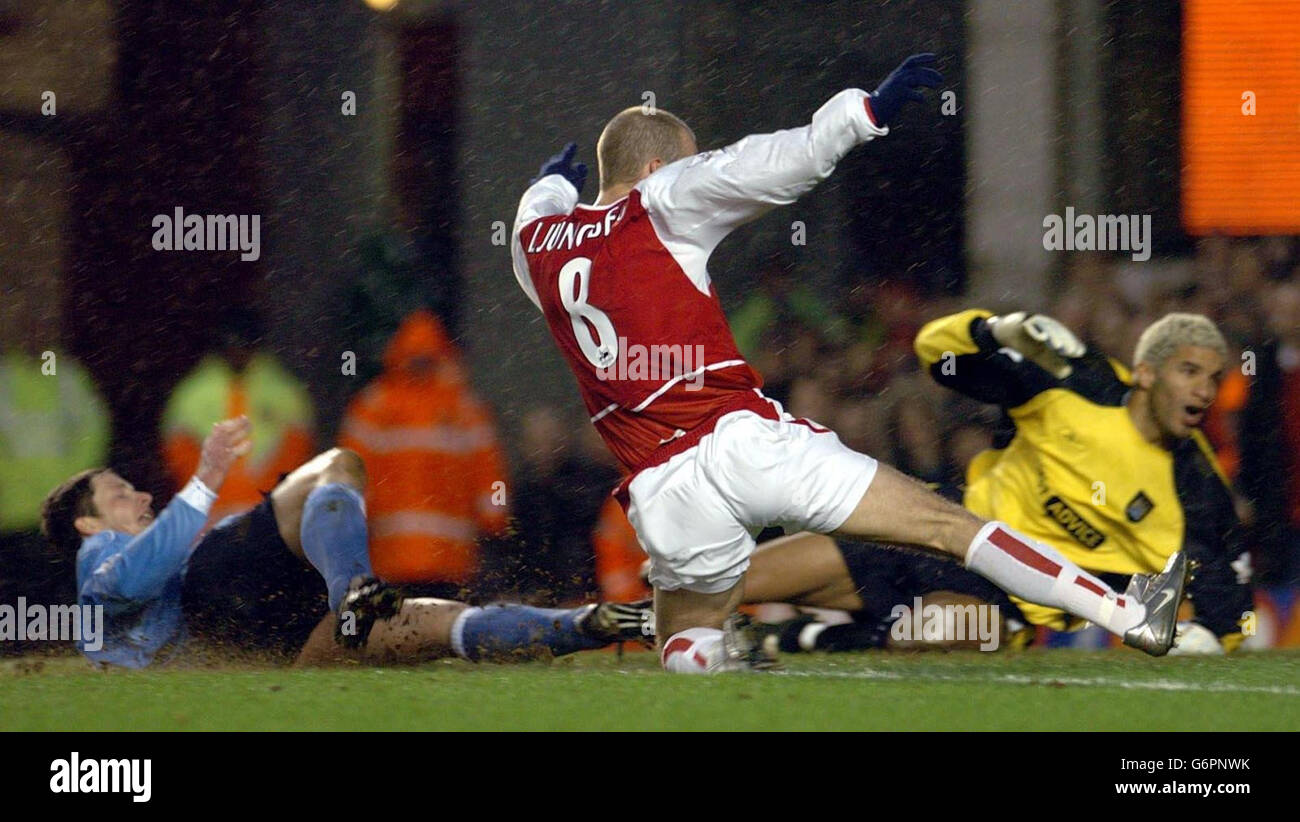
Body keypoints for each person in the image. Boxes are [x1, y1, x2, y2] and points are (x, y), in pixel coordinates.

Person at [511, 52, 1187, 673]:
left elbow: (536, 208)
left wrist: (549, 188)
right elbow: (775, 160)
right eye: (689, 161)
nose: (698, 169)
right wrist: (865, 113)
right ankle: (1133, 614)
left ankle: (712, 665)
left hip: (661, 488)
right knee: (946, 526)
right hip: (739, 442)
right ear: (659, 169)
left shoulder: (539, 245)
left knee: (686, 636)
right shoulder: (661, 202)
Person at [746, 310, 1253, 655]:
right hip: (936, 527)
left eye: (1213, 377)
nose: (1204, 391)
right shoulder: (1077, 382)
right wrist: (994, 330)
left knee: (933, 630)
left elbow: (1228, 610)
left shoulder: (1199, 489)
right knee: (734, 580)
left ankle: (791, 638)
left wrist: (1208, 635)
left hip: (1001, 606)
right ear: (1146, 372)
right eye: (1189, 372)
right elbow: (935, 355)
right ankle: (683, 618)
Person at [40, 416, 650, 669]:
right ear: (87, 525)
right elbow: (126, 581)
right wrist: (205, 479)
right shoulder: (99, 561)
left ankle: (593, 625)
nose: (142, 497)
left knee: (440, 629)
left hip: (280, 649)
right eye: (120, 494)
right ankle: (350, 588)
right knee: (337, 464)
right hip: (229, 589)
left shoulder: (118, 645)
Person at [339, 309, 508, 592]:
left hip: (392, 558)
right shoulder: (464, 408)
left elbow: (350, 476)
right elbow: (490, 477)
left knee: (398, 632)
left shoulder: (373, 405)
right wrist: (496, 524)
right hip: (449, 560)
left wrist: (348, 529)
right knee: (442, 632)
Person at [161, 307, 315, 530]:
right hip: (208, 515)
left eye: (243, 345)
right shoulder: (193, 394)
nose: (237, 353)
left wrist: (268, 495)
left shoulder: (283, 392)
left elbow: (298, 448)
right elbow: (178, 450)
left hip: (268, 514)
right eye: (230, 346)